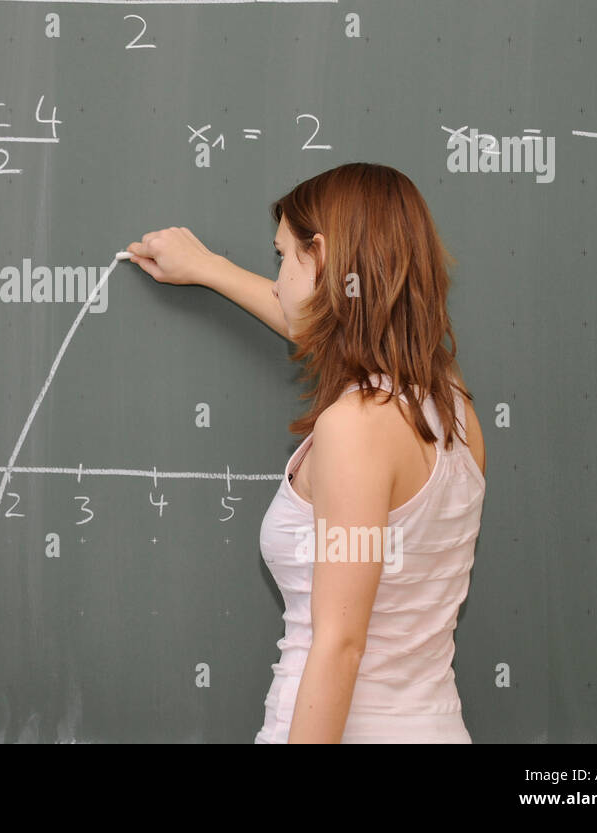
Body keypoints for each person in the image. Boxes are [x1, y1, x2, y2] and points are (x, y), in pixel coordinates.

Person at [125, 162, 487, 743]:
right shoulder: (451, 407)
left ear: (319, 257)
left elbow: (341, 647)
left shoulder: (354, 429)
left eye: (282, 258)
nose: (275, 281)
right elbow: (335, 328)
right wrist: (209, 269)